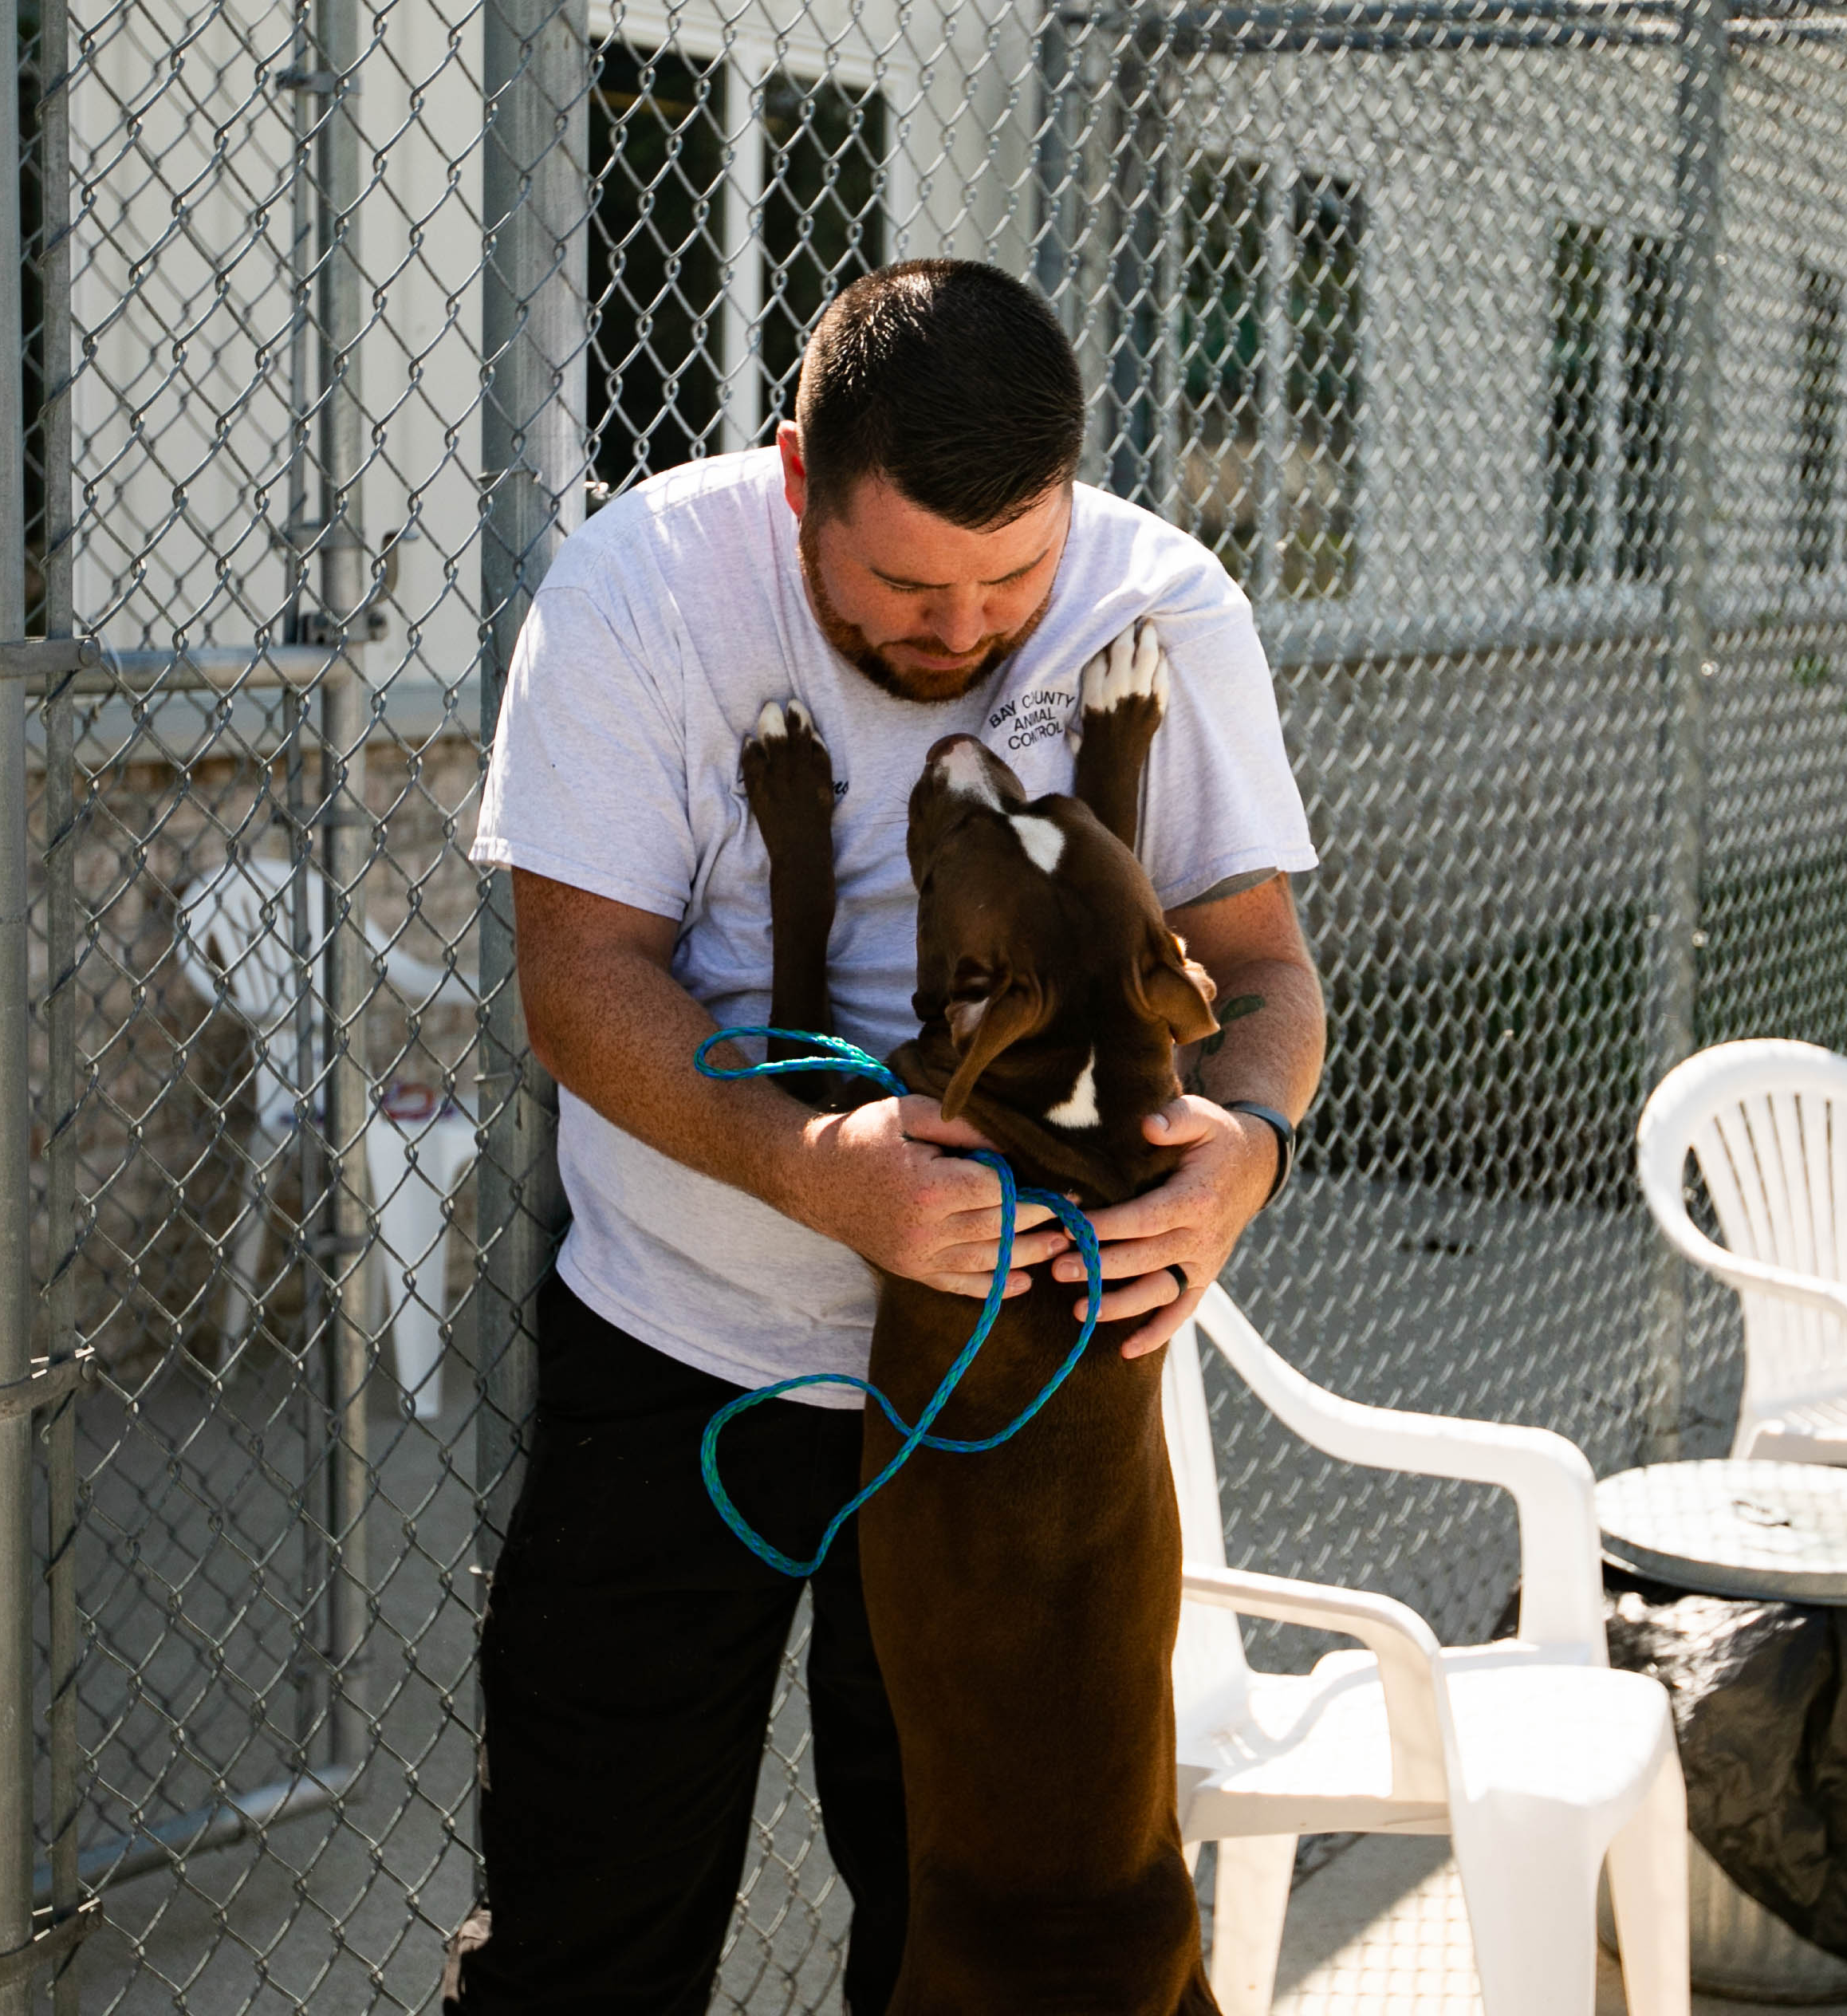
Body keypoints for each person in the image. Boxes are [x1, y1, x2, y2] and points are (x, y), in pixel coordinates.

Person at [446, 258, 1324, 2014]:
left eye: (1015, 577)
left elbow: (1264, 974)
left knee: (961, 1932)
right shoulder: (643, 592)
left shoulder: (1168, 601)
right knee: (586, 1924)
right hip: (686, 1342)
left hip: (1019, 1409)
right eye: (905, 585)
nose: (965, 631)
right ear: (796, 482)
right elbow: (578, 977)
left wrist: (1250, 1147)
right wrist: (808, 1170)